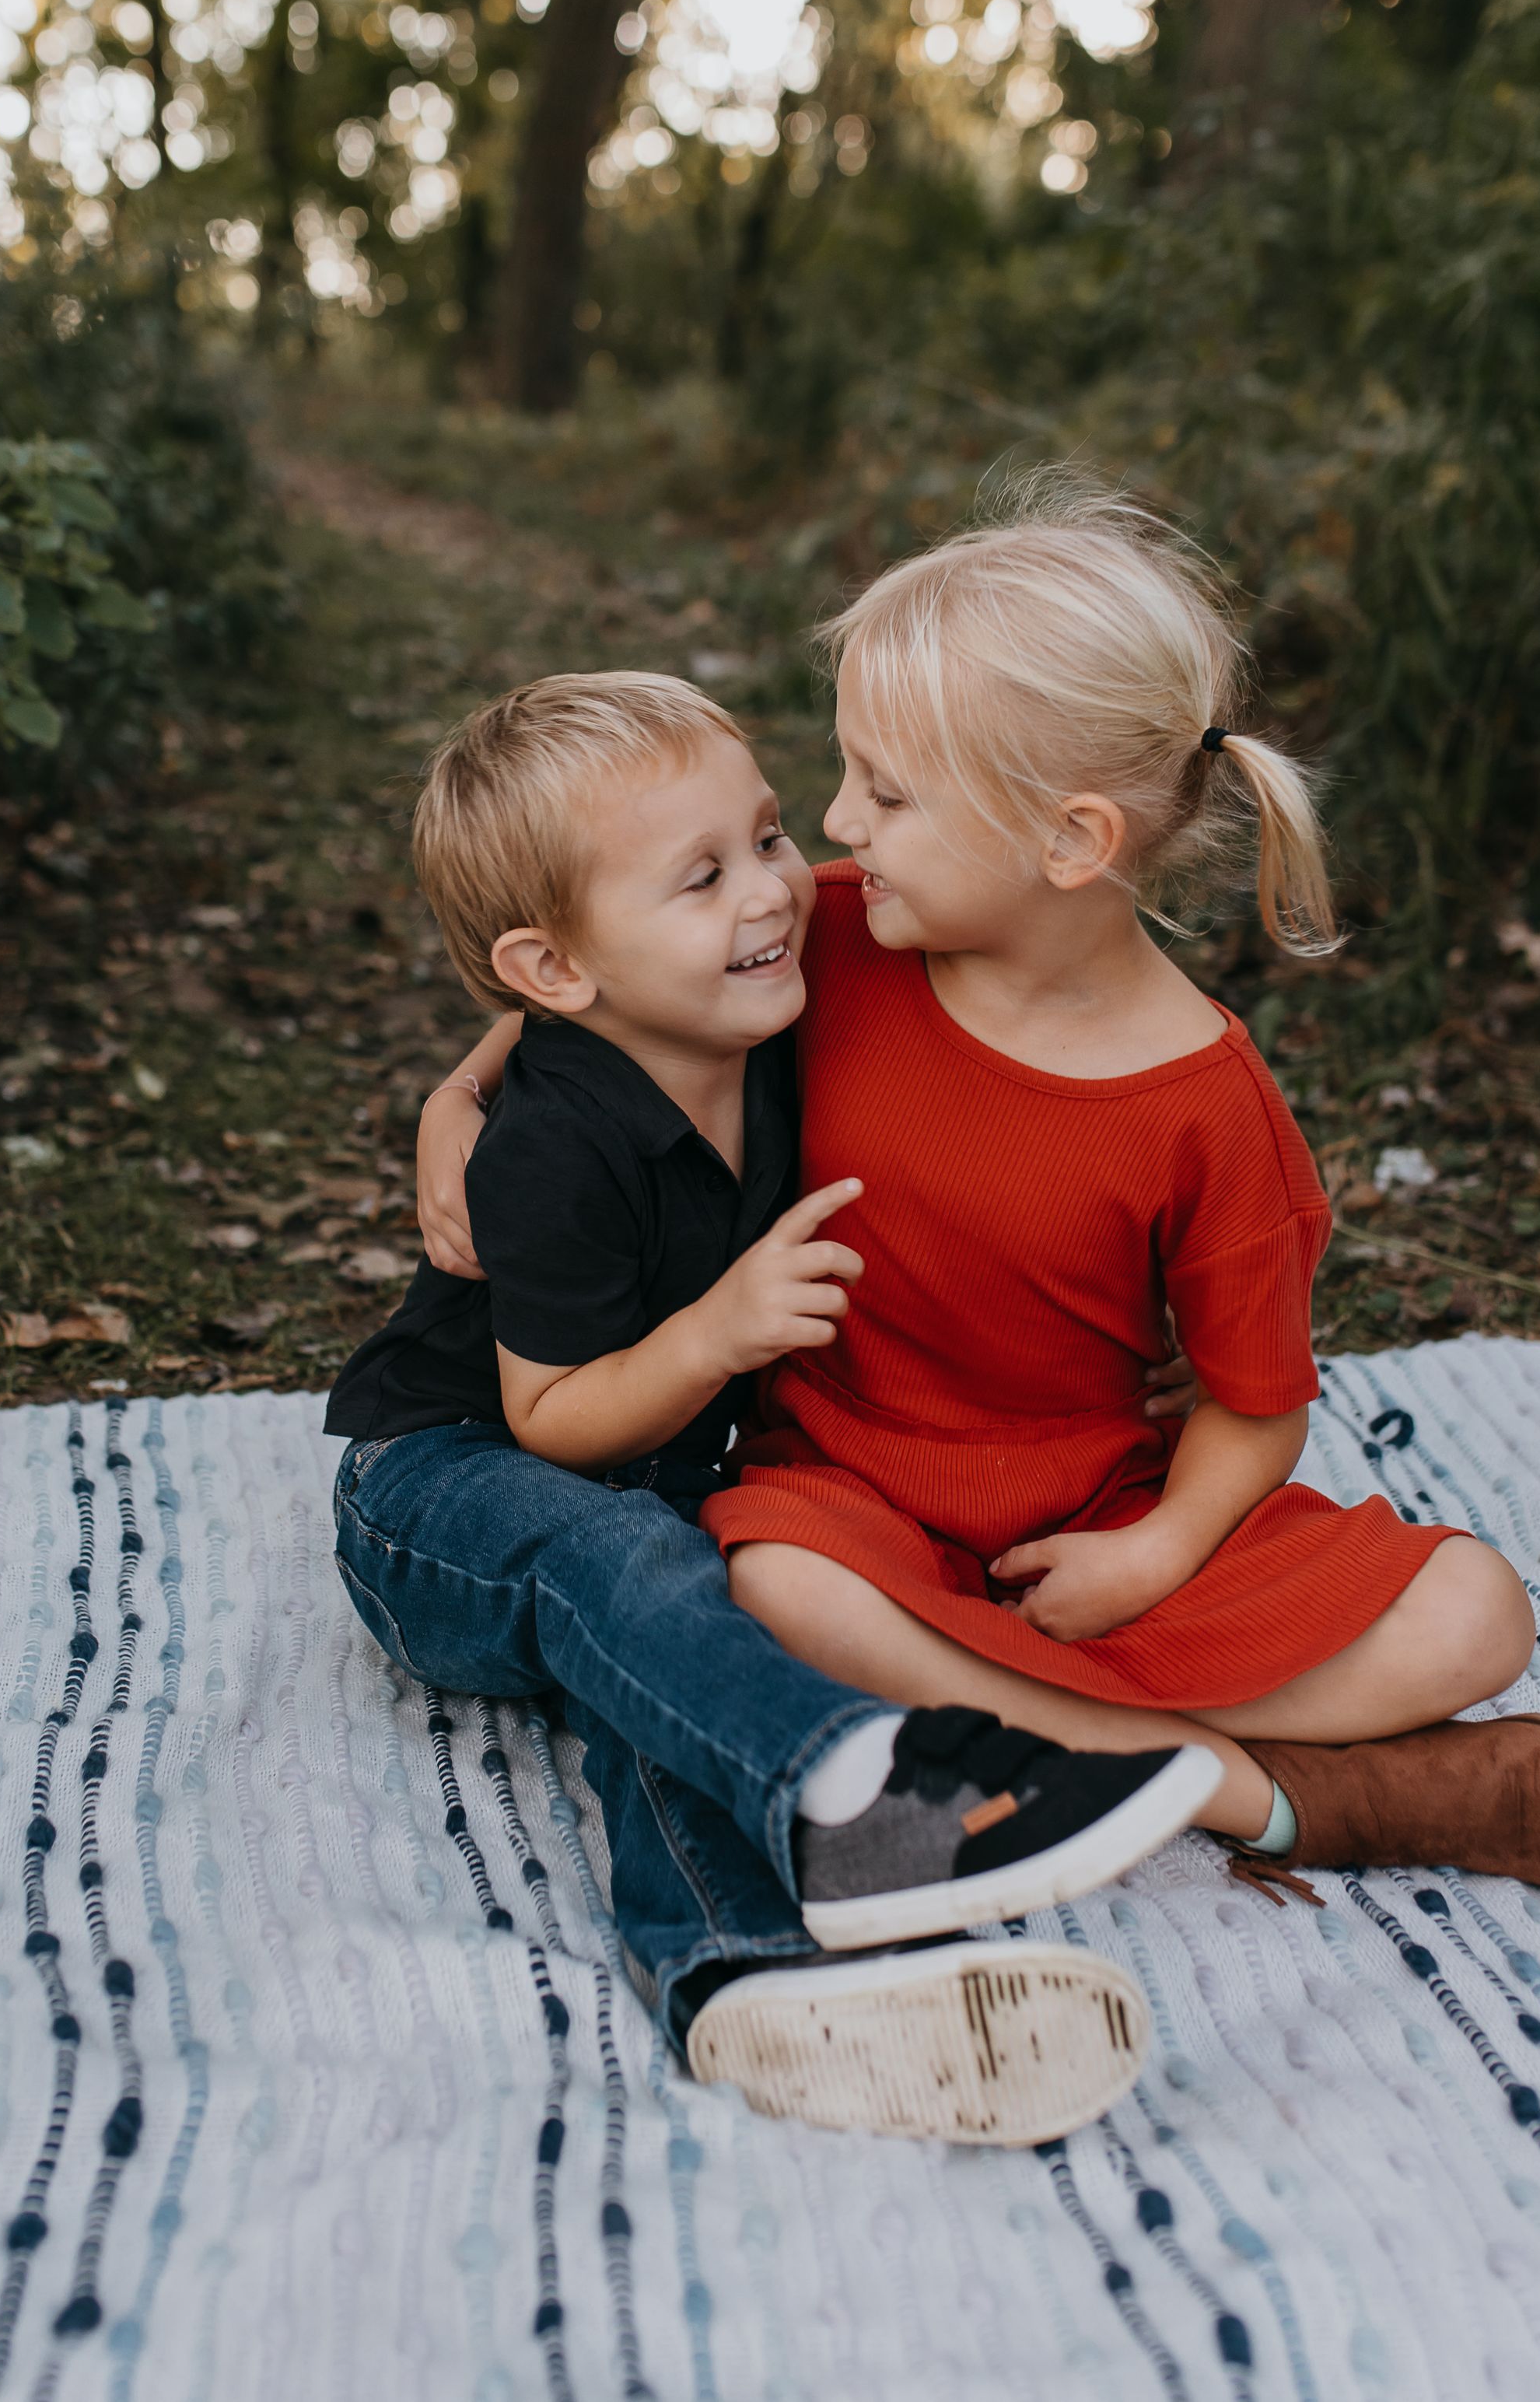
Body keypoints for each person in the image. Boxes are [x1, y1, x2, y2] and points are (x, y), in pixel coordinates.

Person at [425, 492, 1540, 1896]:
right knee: (768, 1586)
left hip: (1100, 1512)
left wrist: (1158, 1551)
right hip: (851, 1491)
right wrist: (455, 1098)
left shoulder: (1207, 1107)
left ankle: (1050, 1731)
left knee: (1476, 1613)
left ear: (1067, 841)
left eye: (885, 793)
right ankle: (1252, 1791)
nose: (834, 824)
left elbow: (1258, 1406)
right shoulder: (842, 932)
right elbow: (611, 976)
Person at [330, 670, 1218, 2146]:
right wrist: (714, 1331)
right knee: (621, 1564)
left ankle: (743, 1979)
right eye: (705, 873)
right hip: (445, 1493)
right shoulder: (552, 1148)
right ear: (556, 965)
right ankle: (859, 1782)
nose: (775, 890)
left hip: (650, 1486)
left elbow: (975, 943)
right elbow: (549, 1426)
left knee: (674, 1646)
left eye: (762, 837)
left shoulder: (775, 1000)